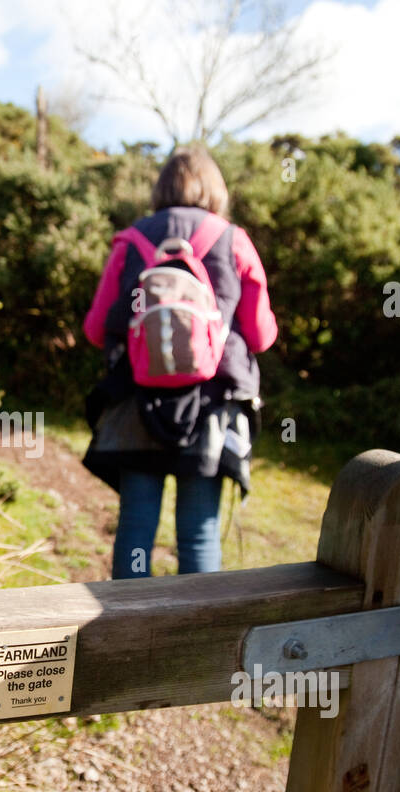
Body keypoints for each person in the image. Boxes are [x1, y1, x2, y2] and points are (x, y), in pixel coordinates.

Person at [81, 145, 278, 578]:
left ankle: (129, 628)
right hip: (212, 405)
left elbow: (97, 328)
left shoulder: (130, 241)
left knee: (135, 528)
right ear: (216, 190)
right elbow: (262, 335)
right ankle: (200, 636)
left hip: (136, 403)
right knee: (199, 535)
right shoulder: (233, 240)